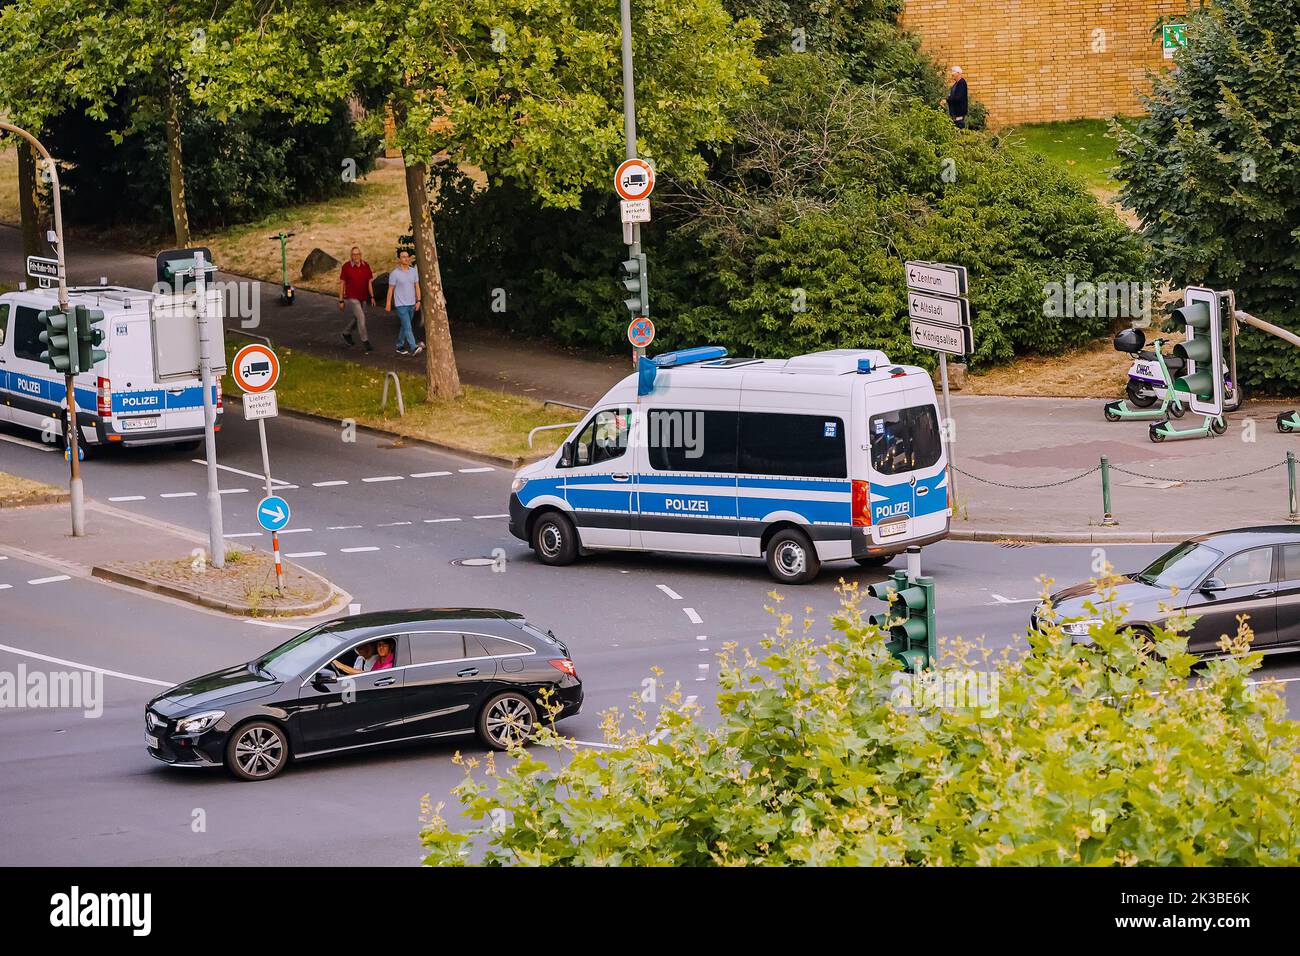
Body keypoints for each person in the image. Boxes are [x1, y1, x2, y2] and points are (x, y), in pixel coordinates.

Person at [384, 249, 424, 356]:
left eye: (407, 256)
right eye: (403, 257)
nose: (406, 258)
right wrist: (388, 303)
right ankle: (414, 347)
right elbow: (390, 289)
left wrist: (418, 301)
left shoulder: (413, 272)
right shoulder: (395, 274)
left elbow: (417, 287)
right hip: (401, 305)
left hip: (411, 304)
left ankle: (399, 346)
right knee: (408, 327)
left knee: (405, 326)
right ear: (399, 259)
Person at [338, 246, 375, 352]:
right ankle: (365, 341)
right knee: (361, 318)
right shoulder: (346, 267)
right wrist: (341, 300)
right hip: (352, 297)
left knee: (357, 317)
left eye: (357, 254)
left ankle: (346, 333)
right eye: (353, 254)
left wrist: (372, 296)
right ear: (351, 256)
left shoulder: (365, 266)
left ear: (360, 255)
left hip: (363, 297)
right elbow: (342, 284)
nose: (356, 256)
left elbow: (369, 283)